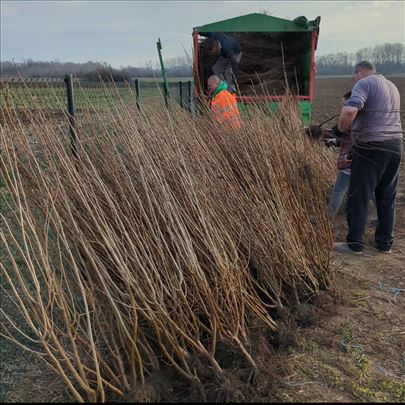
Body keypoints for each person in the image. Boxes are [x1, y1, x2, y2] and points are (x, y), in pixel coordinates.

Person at [333, 61, 403, 255]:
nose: (353, 80)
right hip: (395, 145)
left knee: (359, 195)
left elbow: (349, 111)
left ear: (360, 72)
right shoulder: (391, 86)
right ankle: (384, 244)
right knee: (386, 196)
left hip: (371, 146)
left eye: (353, 76)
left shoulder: (364, 83)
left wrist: (340, 130)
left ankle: (354, 244)